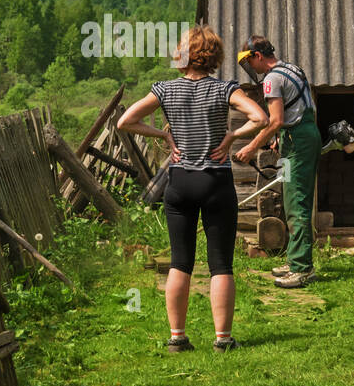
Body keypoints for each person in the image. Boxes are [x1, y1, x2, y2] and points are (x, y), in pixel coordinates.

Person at [117, 25, 267, 352]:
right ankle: (223, 341)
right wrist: (230, 138)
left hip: (180, 181)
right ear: (213, 56)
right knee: (221, 264)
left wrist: (165, 137)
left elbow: (124, 122)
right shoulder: (225, 89)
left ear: (182, 55)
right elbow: (259, 117)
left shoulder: (165, 90)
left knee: (179, 261)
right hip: (216, 181)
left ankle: (177, 338)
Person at [234, 35, 321, 288]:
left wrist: (251, 147)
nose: (251, 69)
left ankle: (303, 269)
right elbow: (294, 112)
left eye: (250, 62)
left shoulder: (272, 79)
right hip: (299, 136)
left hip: (299, 142)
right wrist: (279, 140)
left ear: (258, 56)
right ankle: (295, 261)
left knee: (298, 202)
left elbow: (276, 120)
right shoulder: (292, 68)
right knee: (292, 199)